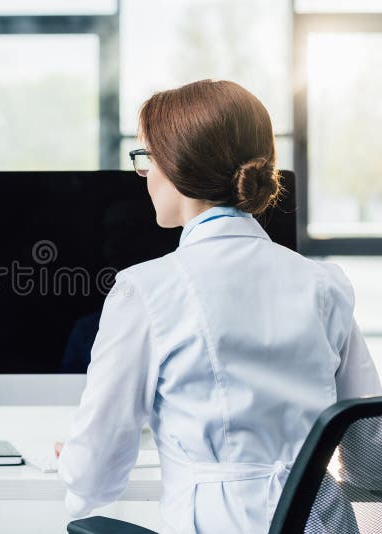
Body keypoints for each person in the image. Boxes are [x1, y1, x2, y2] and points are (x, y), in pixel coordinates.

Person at [54, 79, 381, 533]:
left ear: (178, 165)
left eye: (146, 158)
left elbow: (92, 477)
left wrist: (74, 462)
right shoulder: (326, 284)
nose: (143, 174)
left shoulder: (146, 289)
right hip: (327, 524)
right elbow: (371, 463)